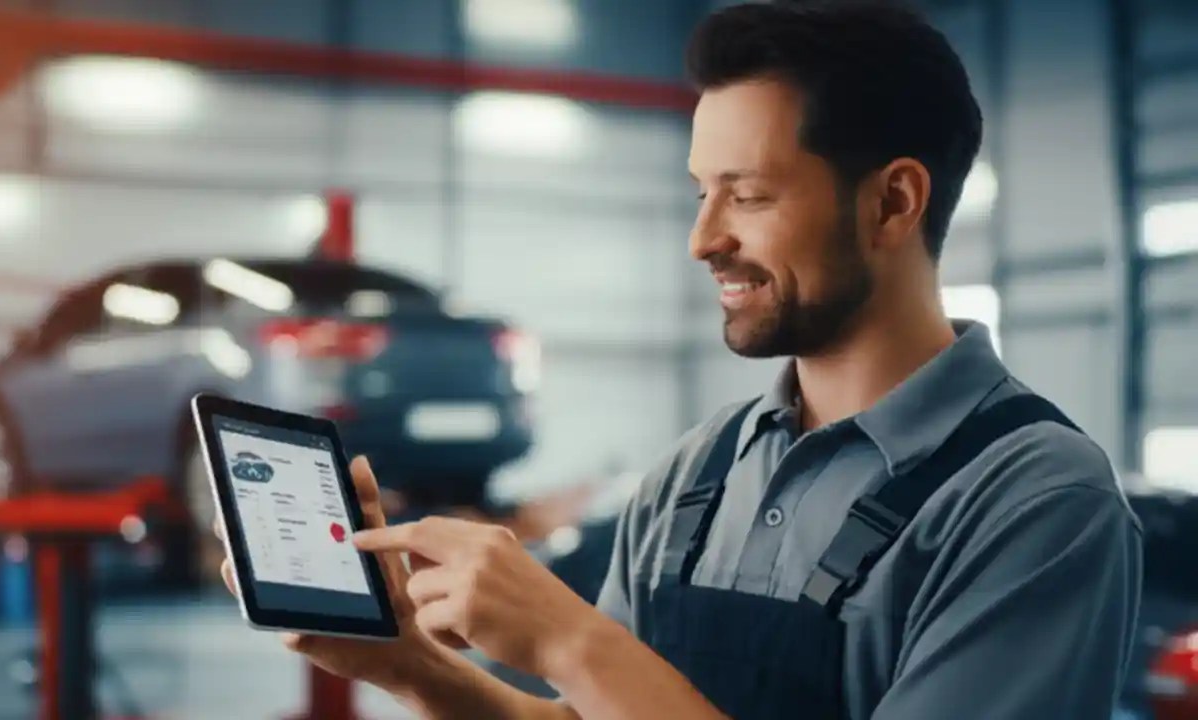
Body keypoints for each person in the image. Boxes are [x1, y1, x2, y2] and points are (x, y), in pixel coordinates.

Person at [219, 2, 1143, 718]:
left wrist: (574, 641)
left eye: (746, 195)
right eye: (702, 193)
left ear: (894, 203)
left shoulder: (1035, 503)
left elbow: (596, 674)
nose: (704, 240)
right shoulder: (699, 473)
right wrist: (409, 666)